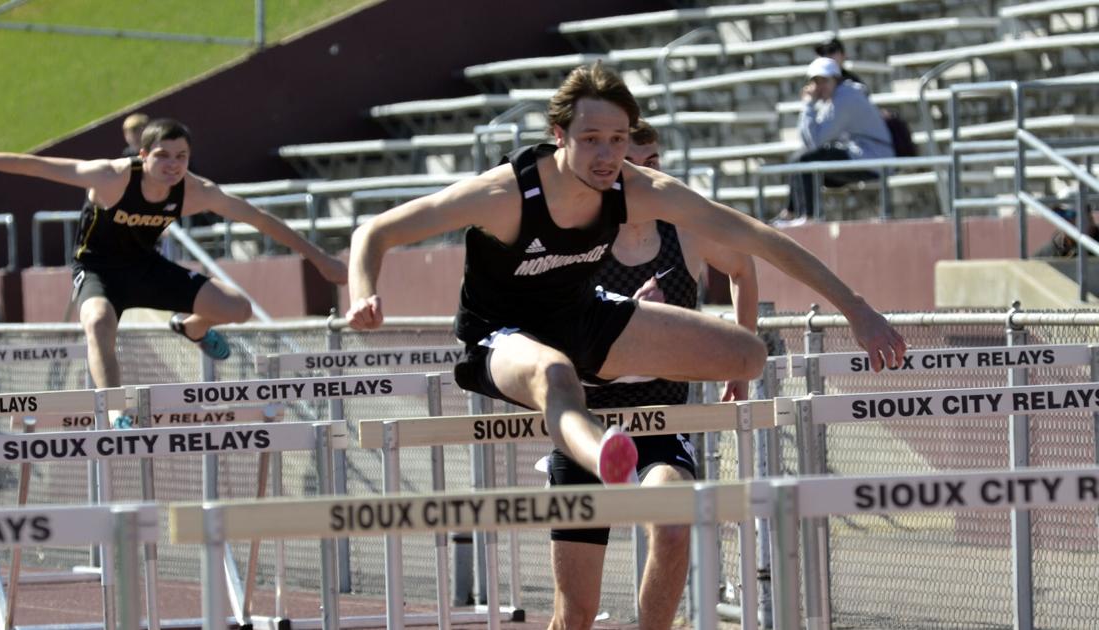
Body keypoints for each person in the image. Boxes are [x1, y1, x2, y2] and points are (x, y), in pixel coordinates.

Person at [347, 62, 904, 493]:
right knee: (555, 373)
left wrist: (856, 308)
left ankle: (613, 416)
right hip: (501, 335)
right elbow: (373, 232)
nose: (607, 155)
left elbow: (755, 237)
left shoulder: (637, 188)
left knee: (747, 354)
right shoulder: (507, 195)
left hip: (580, 316)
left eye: (618, 139)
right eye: (591, 139)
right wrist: (363, 293)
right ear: (560, 135)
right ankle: (607, 456)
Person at [0, 119, 348, 417]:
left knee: (238, 308)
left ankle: (193, 327)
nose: (172, 165)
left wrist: (320, 258)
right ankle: (114, 411)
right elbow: (35, 166)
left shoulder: (195, 191)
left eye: (181, 157)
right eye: (163, 156)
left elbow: (259, 219)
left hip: (146, 269)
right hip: (97, 270)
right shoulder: (111, 177)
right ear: (142, 155)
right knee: (97, 322)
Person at [545, 118, 758, 630]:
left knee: (672, 522)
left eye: (654, 165)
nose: (646, 181)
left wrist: (739, 364)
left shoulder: (684, 229)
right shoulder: (575, 237)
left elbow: (743, 267)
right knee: (574, 614)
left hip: (662, 420)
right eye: (631, 170)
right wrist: (623, 319)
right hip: (586, 426)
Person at [774, 57, 894, 225]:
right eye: (816, 81)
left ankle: (808, 217)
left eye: (824, 80)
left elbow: (816, 141)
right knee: (799, 159)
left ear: (836, 80)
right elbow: (809, 142)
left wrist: (808, 106)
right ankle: (791, 213)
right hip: (859, 155)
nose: (819, 86)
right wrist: (810, 106)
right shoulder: (835, 98)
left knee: (805, 161)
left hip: (872, 159)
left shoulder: (845, 98)